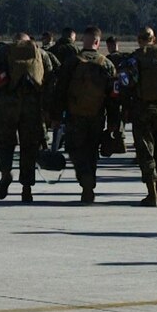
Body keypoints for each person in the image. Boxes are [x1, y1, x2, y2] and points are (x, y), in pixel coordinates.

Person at [51, 26, 117, 204]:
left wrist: (56, 117)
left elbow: (61, 91)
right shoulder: (107, 64)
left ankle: (85, 180)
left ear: (83, 40)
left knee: (75, 150)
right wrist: (113, 122)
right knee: (91, 151)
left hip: (75, 115)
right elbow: (113, 97)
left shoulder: (72, 62)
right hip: (97, 116)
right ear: (98, 42)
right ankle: (89, 184)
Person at [0, 32, 54, 203]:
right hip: (32, 108)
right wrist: (49, 109)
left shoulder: (2, 52)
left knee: (4, 144)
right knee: (29, 148)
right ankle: (27, 188)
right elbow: (50, 80)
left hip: (6, 106)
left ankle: (5, 172)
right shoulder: (41, 53)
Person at [127, 27, 157, 206]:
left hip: (142, 109)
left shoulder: (135, 57)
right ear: (154, 39)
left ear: (139, 40)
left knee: (146, 151)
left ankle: (151, 192)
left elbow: (127, 82)